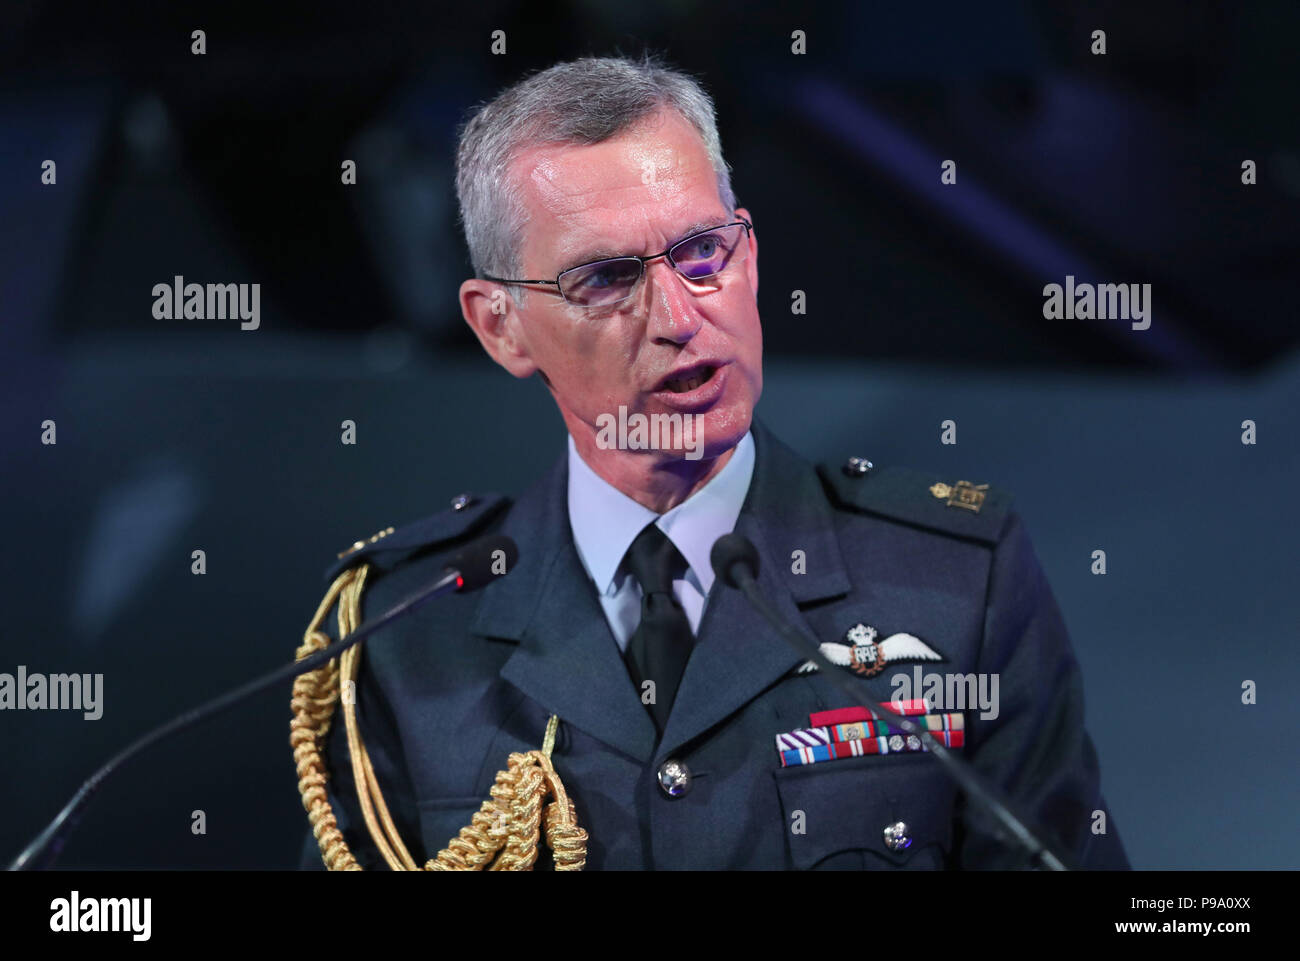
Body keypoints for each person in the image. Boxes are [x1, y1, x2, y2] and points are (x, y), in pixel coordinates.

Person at [293, 53, 1128, 870]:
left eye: (701, 251)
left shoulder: (955, 578)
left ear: (749, 257)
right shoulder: (400, 633)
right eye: (606, 278)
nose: (677, 318)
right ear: (500, 327)